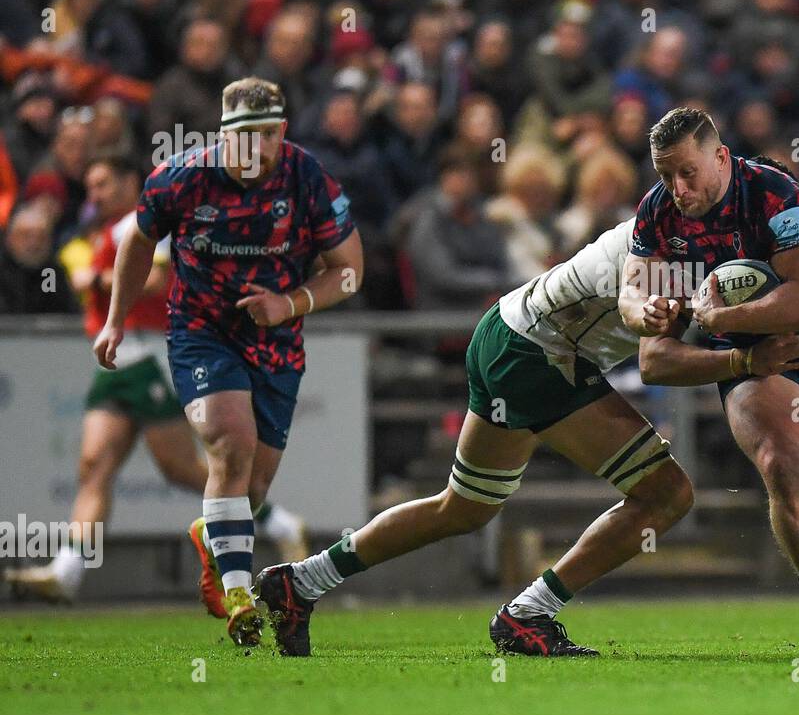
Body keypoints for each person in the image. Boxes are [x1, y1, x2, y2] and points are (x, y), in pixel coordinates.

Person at [252, 217, 744, 658]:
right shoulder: (675, 245)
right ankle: (528, 614)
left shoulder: (693, 236)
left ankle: (301, 580)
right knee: (666, 493)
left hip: (505, 332)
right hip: (540, 355)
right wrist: (744, 361)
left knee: (463, 507)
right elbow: (656, 362)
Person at [620, 107, 799, 656]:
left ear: (721, 157)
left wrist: (725, 319)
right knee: (781, 462)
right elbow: (646, 340)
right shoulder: (657, 215)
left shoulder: (772, 191)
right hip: (751, 358)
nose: (677, 188)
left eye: (687, 173)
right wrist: (645, 313)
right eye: (665, 176)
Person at [93, 78, 363, 647]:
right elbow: (138, 243)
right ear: (221, 136)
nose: (256, 149)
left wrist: (288, 304)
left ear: (282, 132)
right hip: (201, 331)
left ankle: (211, 532)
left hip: (277, 340)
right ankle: (240, 596)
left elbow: (348, 270)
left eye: (268, 135)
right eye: (244, 136)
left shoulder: (307, 177)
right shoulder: (181, 178)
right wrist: (117, 318)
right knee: (230, 442)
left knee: (253, 487)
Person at [6, 157, 309, 603]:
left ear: (130, 182)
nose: (94, 195)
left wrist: (99, 279)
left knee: (181, 469)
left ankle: (277, 522)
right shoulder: (103, 229)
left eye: (103, 182)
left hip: (152, 357)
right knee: (94, 466)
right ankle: (66, 572)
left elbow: (156, 280)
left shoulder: (146, 222)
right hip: (120, 363)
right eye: (89, 185)